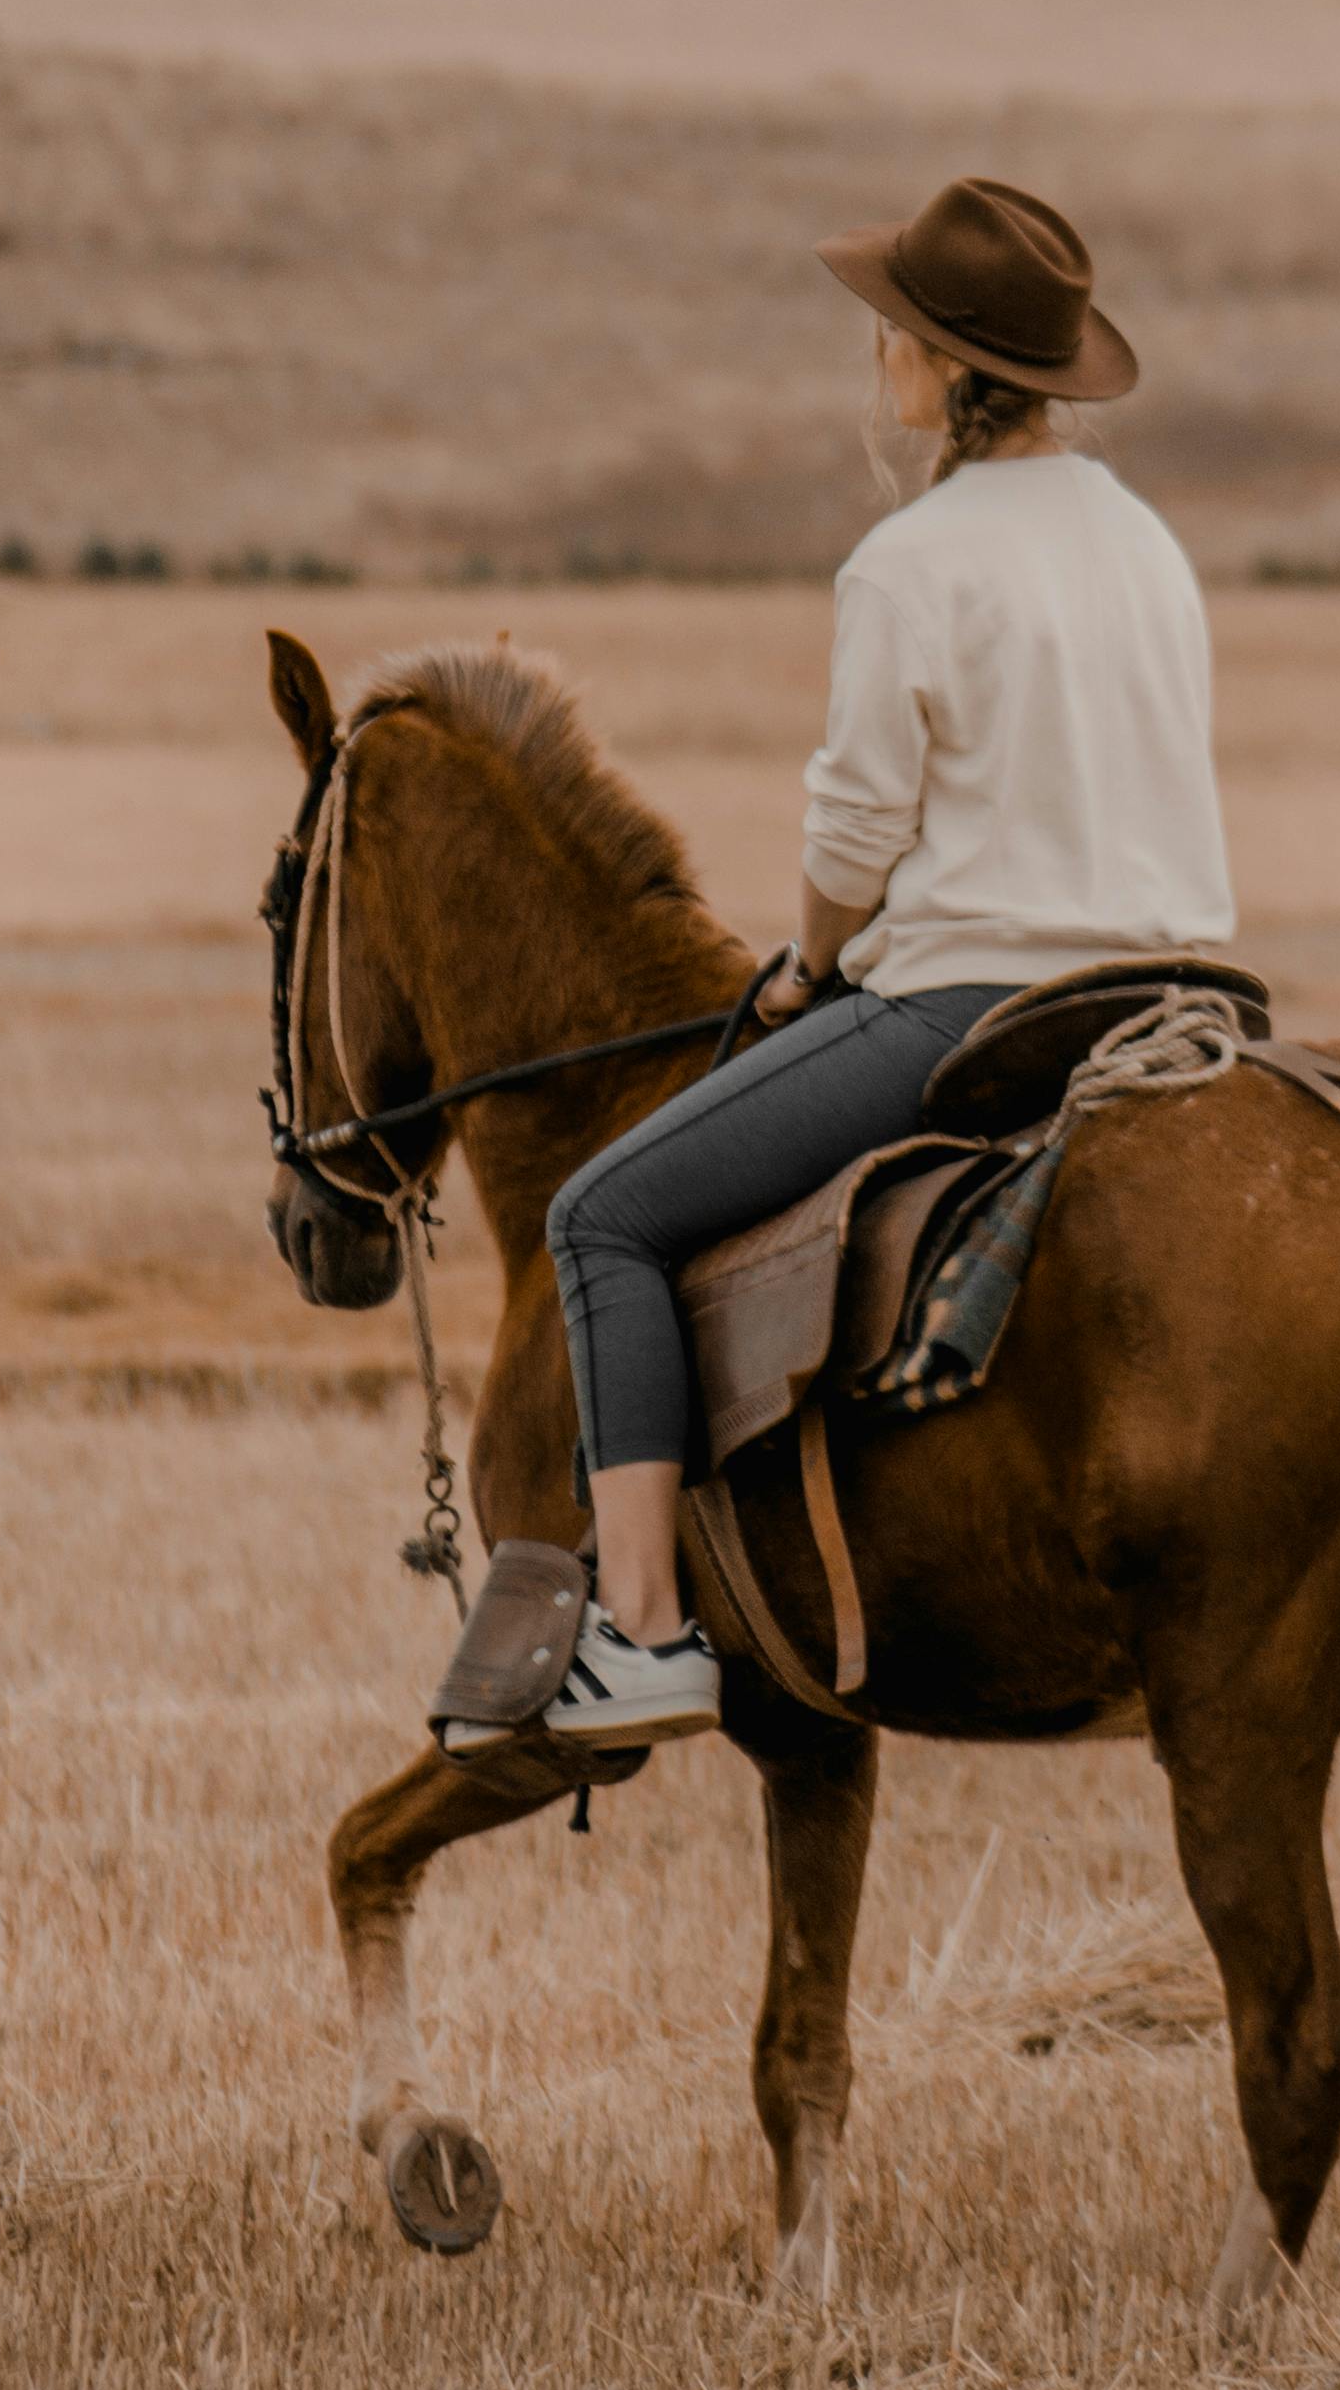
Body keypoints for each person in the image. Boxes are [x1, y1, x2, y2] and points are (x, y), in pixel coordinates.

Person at [527, 172, 1235, 1746]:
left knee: (604, 1218)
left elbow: (855, 833)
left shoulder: (910, 561)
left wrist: (807, 965)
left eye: (891, 328)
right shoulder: (1147, 546)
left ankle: (639, 1636)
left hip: (979, 1004)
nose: (874, 351)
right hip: (1178, 998)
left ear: (943, 364)